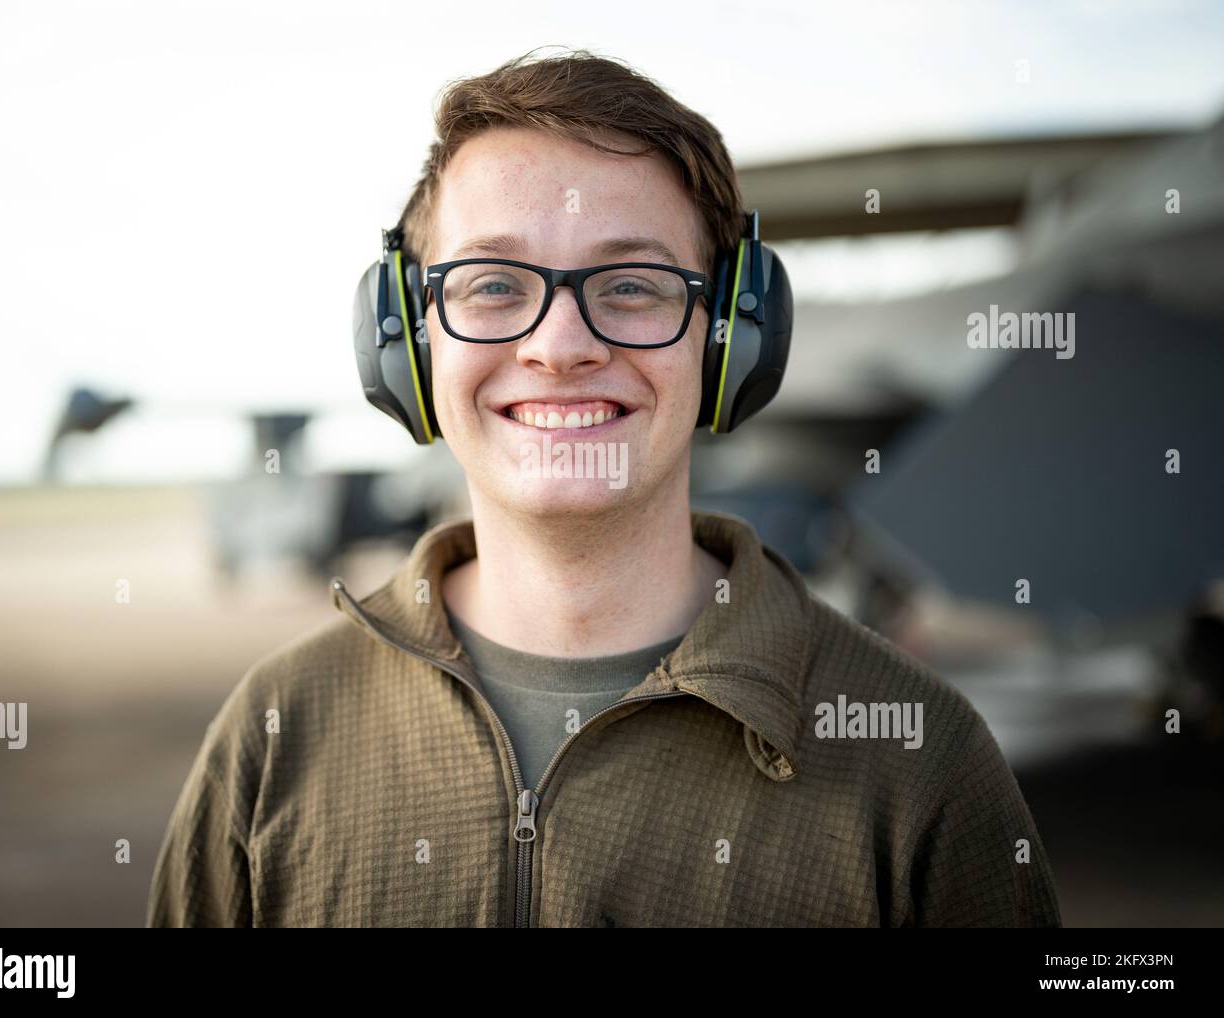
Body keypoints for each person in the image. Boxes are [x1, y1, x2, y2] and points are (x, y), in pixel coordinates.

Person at [146, 47, 1062, 927]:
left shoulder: (921, 758)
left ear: (730, 343)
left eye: (632, 284)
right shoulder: (272, 737)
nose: (561, 345)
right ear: (407, 344)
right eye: (493, 284)